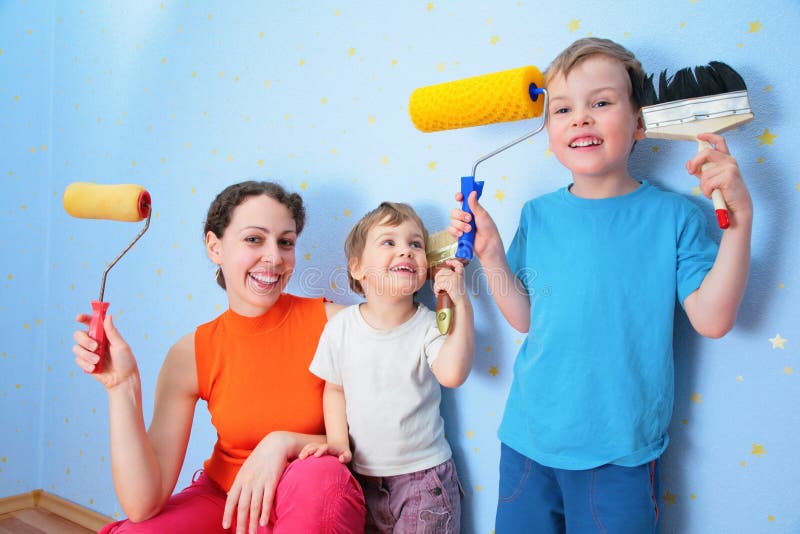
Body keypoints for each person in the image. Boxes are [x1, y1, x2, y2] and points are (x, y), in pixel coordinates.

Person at [448, 37, 752, 533]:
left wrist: (739, 220)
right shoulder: (538, 214)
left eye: (601, 103)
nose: (580, 119)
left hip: (620, 454)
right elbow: (526, 317)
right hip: (528, 443)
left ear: (638, 123)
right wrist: (491, 254)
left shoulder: (673, 216)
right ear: (548, 131)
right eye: (562, 108)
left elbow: (713, 319)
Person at [72, 180, 366, 534]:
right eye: (254, 239)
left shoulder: (335, 324)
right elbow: (141, 504)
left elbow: (370, 442)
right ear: (215, 247)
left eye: (285, 242)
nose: (274, 257)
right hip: (228, 503)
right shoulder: (190, 353)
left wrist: (283, 442)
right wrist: (122, 387)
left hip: (309, 502)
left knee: (322, 474)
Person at [297, 201, 475, 533]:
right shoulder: (340, 328)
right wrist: (337, 441)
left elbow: (452, 374)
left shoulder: (428, 326)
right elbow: (334, 388)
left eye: (416, 244)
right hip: (362, 479)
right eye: (389, 242)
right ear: (357, 268)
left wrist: (461, 302)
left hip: (425, 482)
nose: (406, 252)